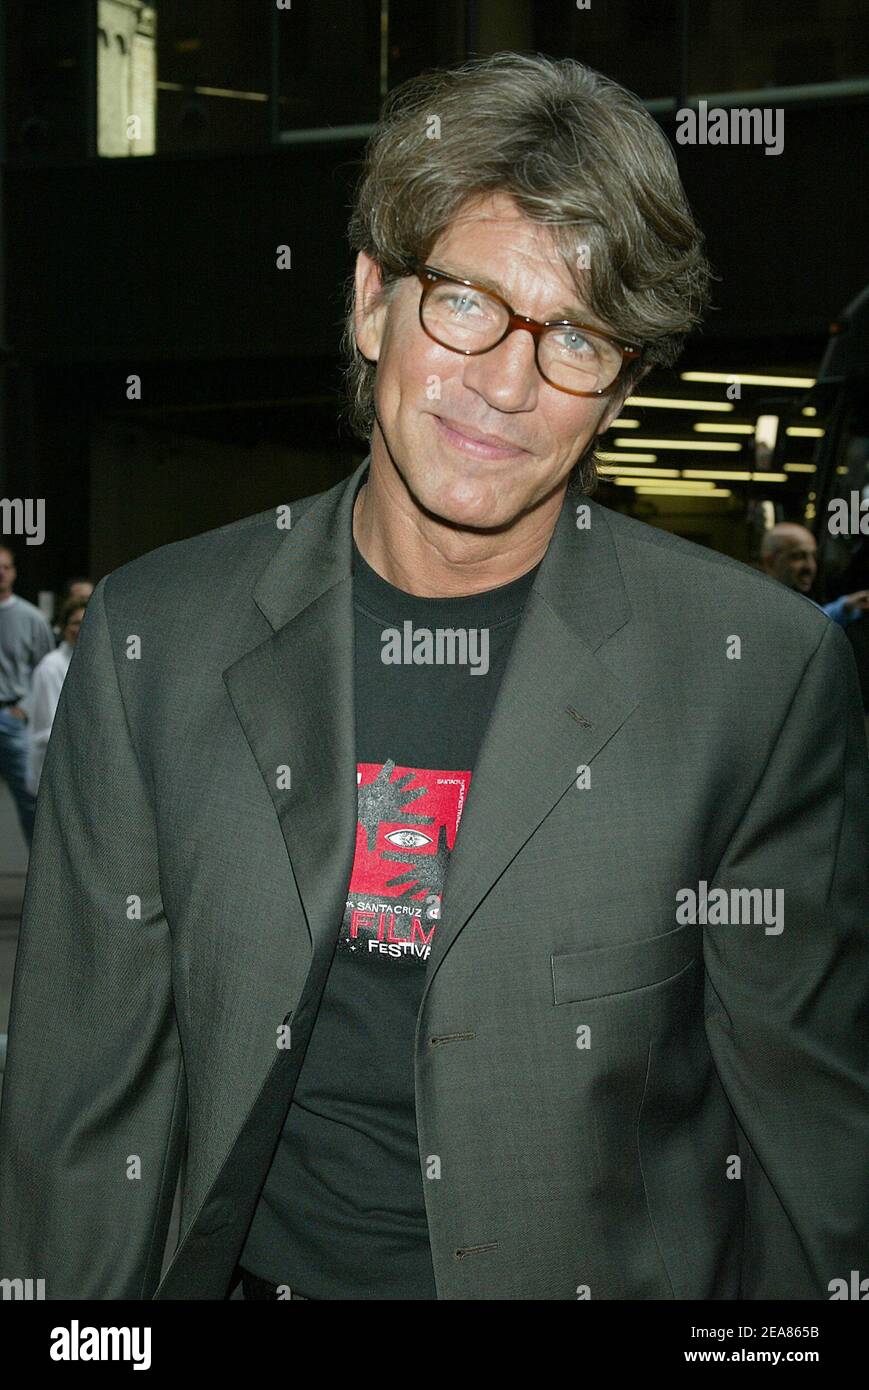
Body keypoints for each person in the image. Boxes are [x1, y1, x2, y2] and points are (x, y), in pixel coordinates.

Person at [1, 53, 867, 1303]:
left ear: (616, 389)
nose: (505, 384)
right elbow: (82, 1124)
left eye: (573, 335)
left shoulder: (753, 680)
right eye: (464, 302)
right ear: (370, 302)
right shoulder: (158, 645)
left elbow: (810, 1147)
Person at [0, 544, 55, 847]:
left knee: (30, 797)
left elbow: (44, 667)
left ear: (14, 572)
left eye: (5, 566)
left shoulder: (31, 618)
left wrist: (25, 706)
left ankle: (42, 872)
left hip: (12, 716)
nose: (0, 572)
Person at [26, 597, 87, 798]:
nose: (81, 628)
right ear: (63, 627)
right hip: (55, 772)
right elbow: (48, 729)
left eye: (87, 621)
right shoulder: (50, 668)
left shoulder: (91, 663)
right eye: (75, 623)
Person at [759, 522, 869, 626]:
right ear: (770, 561)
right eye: (798, 556)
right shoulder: (757, 609)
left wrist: (845, 606)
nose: (810, 566)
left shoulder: (796, 602)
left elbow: (817, 624)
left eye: (813, 556)